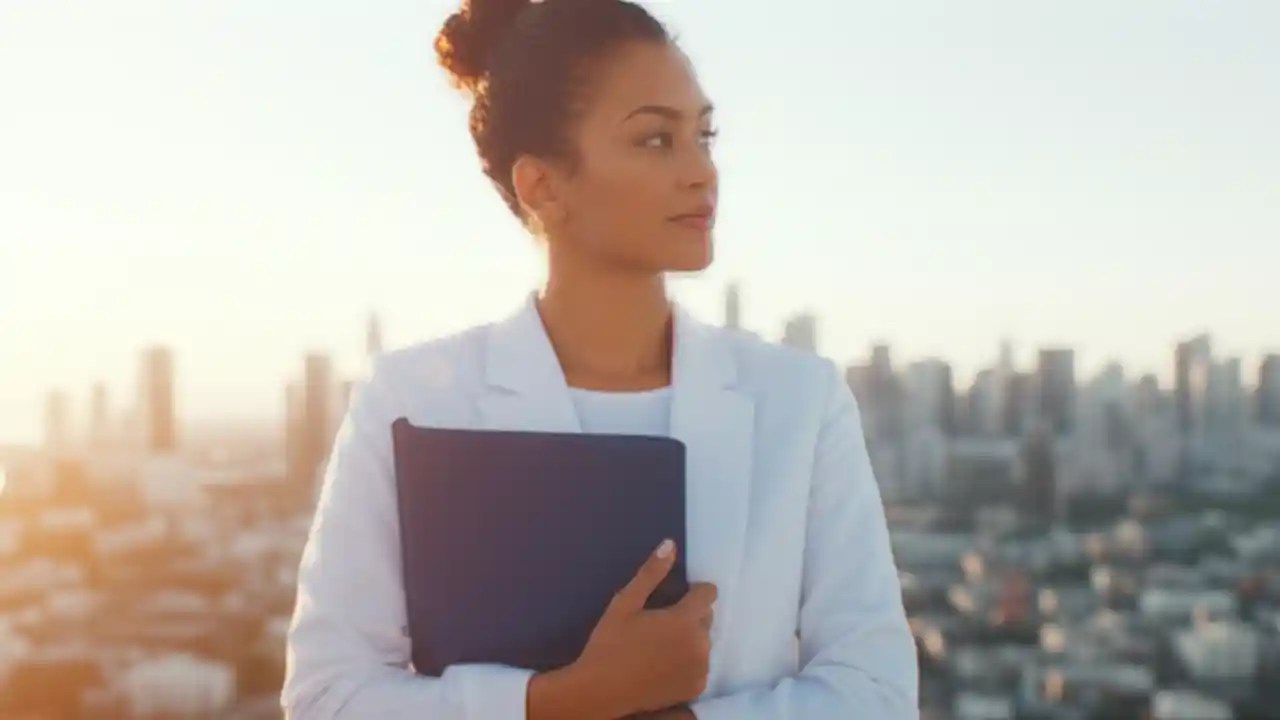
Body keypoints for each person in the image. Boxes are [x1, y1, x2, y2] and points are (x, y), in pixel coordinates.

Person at [281, 0, 919, 717]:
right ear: (542, 185)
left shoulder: (800, 400)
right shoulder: (411, 398)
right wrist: (562, 702)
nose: (702, 172)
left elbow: (876, 691)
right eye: (655, 140)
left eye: (703, 135)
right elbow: (328, 697)